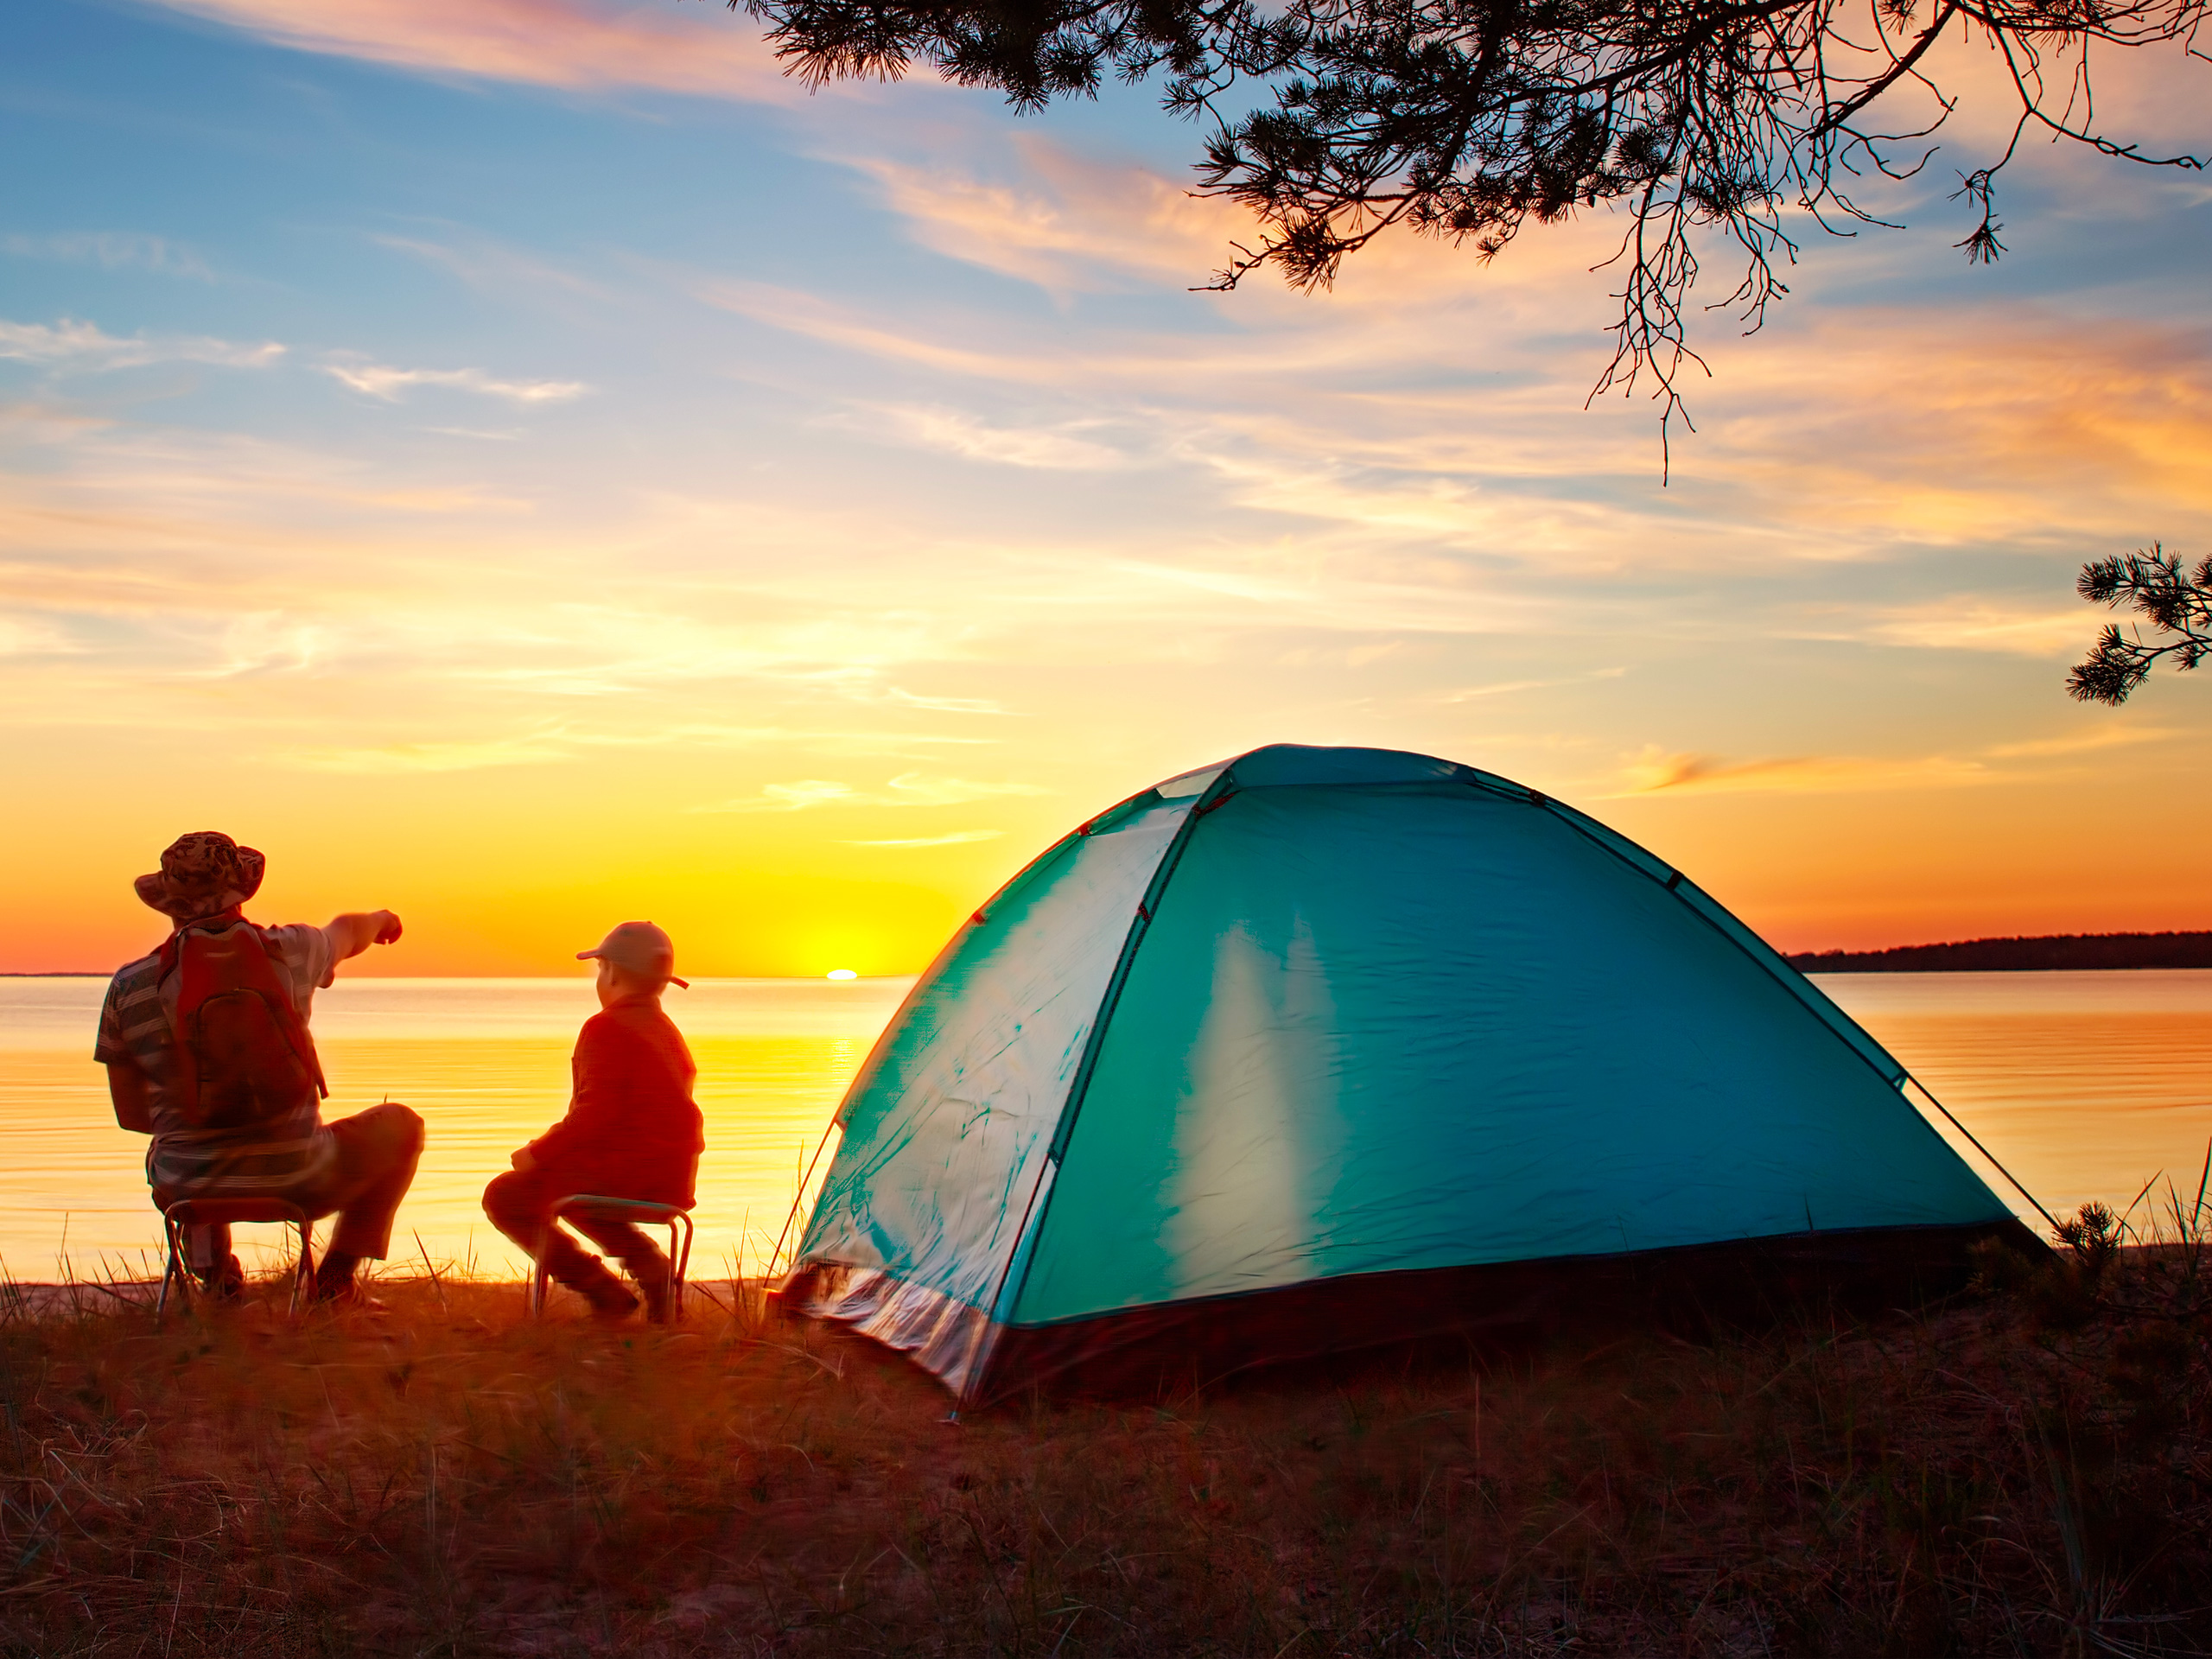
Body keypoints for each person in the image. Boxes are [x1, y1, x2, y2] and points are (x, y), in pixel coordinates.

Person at [97, 831, 425, 1306]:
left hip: (186, 1187)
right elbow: (347, 930)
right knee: (402, 1127)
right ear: (241, 892)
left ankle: (217, 1282)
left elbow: (131, 1116)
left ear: (168, 899)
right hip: (299, 1178)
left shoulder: (130, 986)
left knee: (180, 1140)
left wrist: (210, 1113)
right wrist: (382, 920)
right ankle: (333, 1283)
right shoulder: (291, 951)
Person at [481, 922, 703, 1323]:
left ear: (613, 972)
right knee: (569, 1177)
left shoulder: (606, 1027)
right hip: (671, 1177)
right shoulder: (668, 1032)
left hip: (625, 1174)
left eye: (599, 969)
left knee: (506, 1195)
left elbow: (593, 1113)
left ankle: (604, 1292)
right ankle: (647, 1264)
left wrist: (536, 1152)